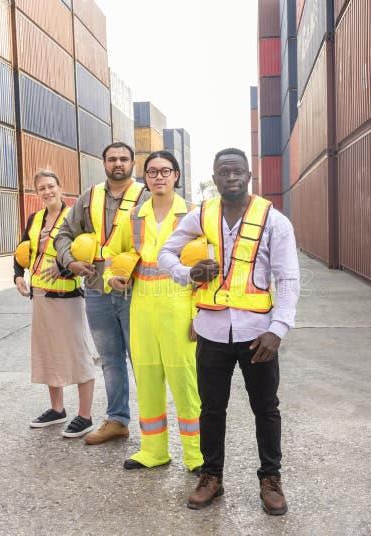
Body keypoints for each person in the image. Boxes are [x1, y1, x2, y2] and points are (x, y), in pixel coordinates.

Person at [158, 148, 300, 515]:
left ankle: (271, 479)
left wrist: (278, 329)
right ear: (215, 177)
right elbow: (165, 254)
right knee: (211, 409)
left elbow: (287, 278)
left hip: (258, 334)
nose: (231, 177)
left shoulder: (273, 220)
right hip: (212, 332)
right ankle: (211, 477)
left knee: (266, 408)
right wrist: (187, 273)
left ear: (249, 175)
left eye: (238, 171)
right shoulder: (200, 215)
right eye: (224, 172)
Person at [103, 150, 203, 472]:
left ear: (176, 175)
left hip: (179, 307)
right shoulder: (134, 216)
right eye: (152, 172)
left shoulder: (193, 215)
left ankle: (196, 456)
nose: (158, 177)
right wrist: (111, 277)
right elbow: (111, 252)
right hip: (142, 308)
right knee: (146, 379)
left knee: (185, 382)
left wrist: (199, 313)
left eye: (165, 171)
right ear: (145, 178)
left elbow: (207, 266)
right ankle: (153, 450)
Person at [52, 142, 150, 444]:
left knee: (142, 360)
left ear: (133, 163)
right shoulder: (89, 197)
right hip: (97, 291)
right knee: (110, 359)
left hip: (136, 292)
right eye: (112, 159)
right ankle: (117, 420)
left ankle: (153, 429)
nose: (118, 164)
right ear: (103, 163)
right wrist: (70, 262)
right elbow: (63, 234)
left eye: (123, 159)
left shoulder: (146, 196)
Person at [13, 169, 96, 438]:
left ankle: (85, 415)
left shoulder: (74, 217)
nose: (47, 191)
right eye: (42, 188)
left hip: (66, 296)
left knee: (77, 354)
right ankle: (57, 409)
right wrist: (17, 275)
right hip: (40, 295)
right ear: (36, 192)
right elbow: (23, 249)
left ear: (60, 187)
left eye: (51, 186)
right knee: (47, 353)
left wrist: (65, 268)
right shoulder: (35, 218)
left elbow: (87, 251)